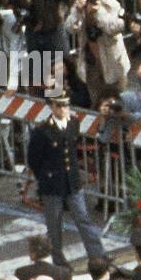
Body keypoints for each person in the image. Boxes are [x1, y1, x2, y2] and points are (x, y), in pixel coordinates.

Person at [24, 91, 107, 268]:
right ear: (52, 107)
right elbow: (33, 159)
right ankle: (58, 259)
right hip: (52, 183)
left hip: (72, 182)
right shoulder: (42, 130)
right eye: (59, 106)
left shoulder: (73, 123)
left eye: (66, 105)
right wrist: (45, 177)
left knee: (83, 218)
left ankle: (97, 254)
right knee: (54, 224)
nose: (63, 109)